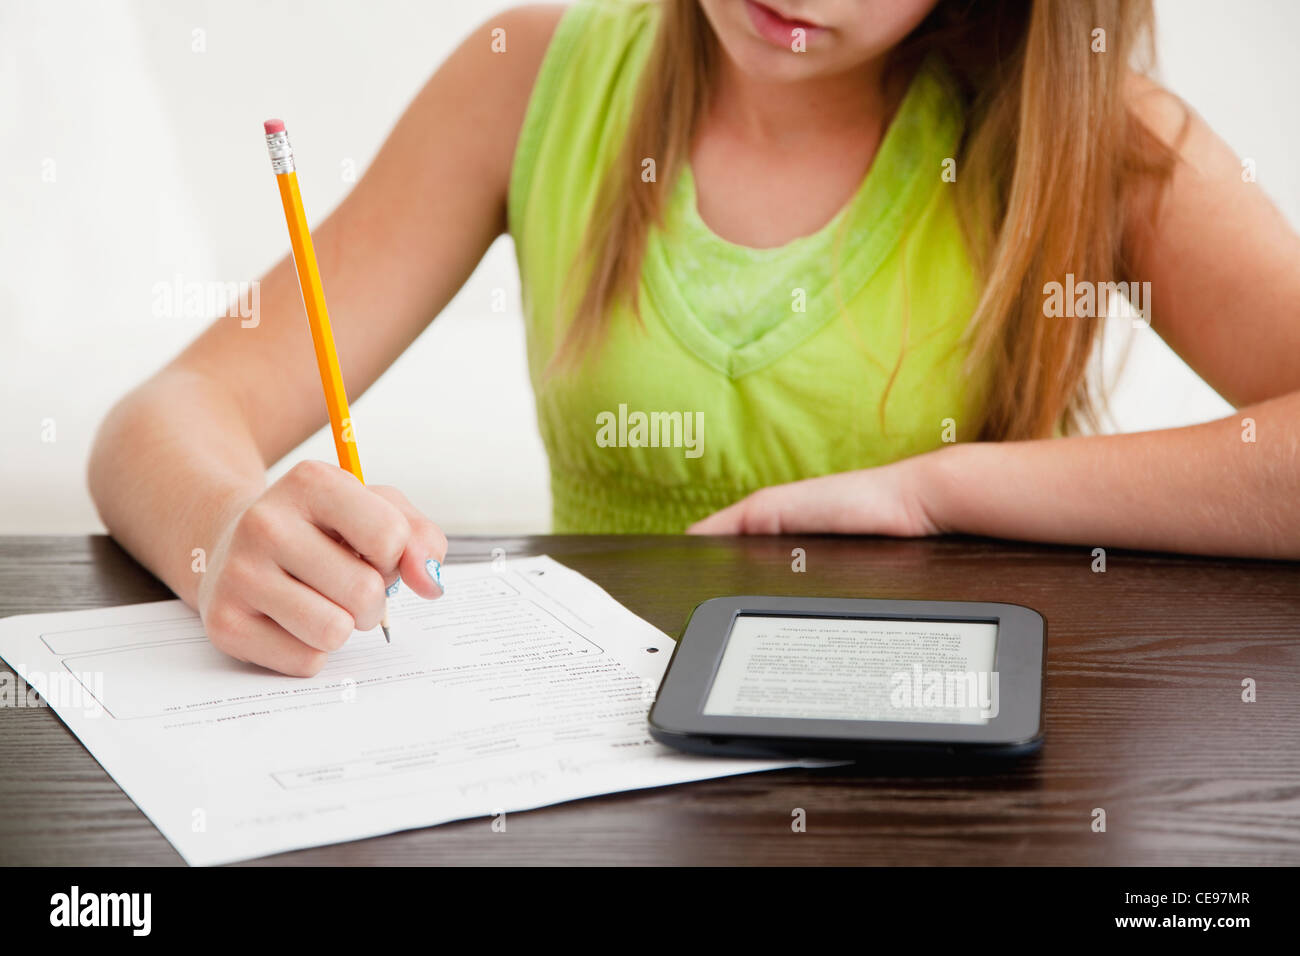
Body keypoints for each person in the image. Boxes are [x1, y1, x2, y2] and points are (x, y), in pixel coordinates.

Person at [89, 1, 1300, 676]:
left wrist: (946, 485)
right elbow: (167, 415)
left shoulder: (1092, 133)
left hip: (931, 794)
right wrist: (220, 535)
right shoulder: (531, 77)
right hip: (591, 767)